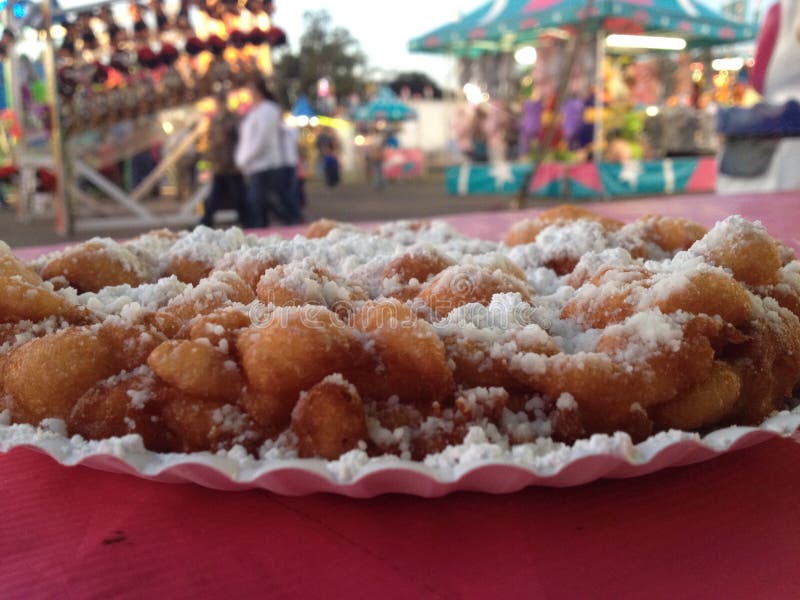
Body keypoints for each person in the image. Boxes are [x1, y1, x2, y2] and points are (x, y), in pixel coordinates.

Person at [234, 79, 283, 227]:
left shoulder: (268, 110)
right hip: (254, 165)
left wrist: (245, 159)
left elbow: (262, 139)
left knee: (258, 204)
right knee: (257, 204)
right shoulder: (255, 111)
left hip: (263, 164)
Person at [200, 88, 246, 227]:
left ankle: (248, 221)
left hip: (232, 166)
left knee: (239, 197)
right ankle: (205, 223)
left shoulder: (233, 119)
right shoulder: (215, 121)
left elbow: (240, 140)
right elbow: (212, 143)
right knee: (214, 198)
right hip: (219, 166)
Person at [277, 120, 303, 223]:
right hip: (289, 163)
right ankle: (293, 214)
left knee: (287, 191)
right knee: (292, 191)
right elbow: (297, 145)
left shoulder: (287, 129)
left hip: (284, 163)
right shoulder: (291, 129)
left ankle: (291, 215)